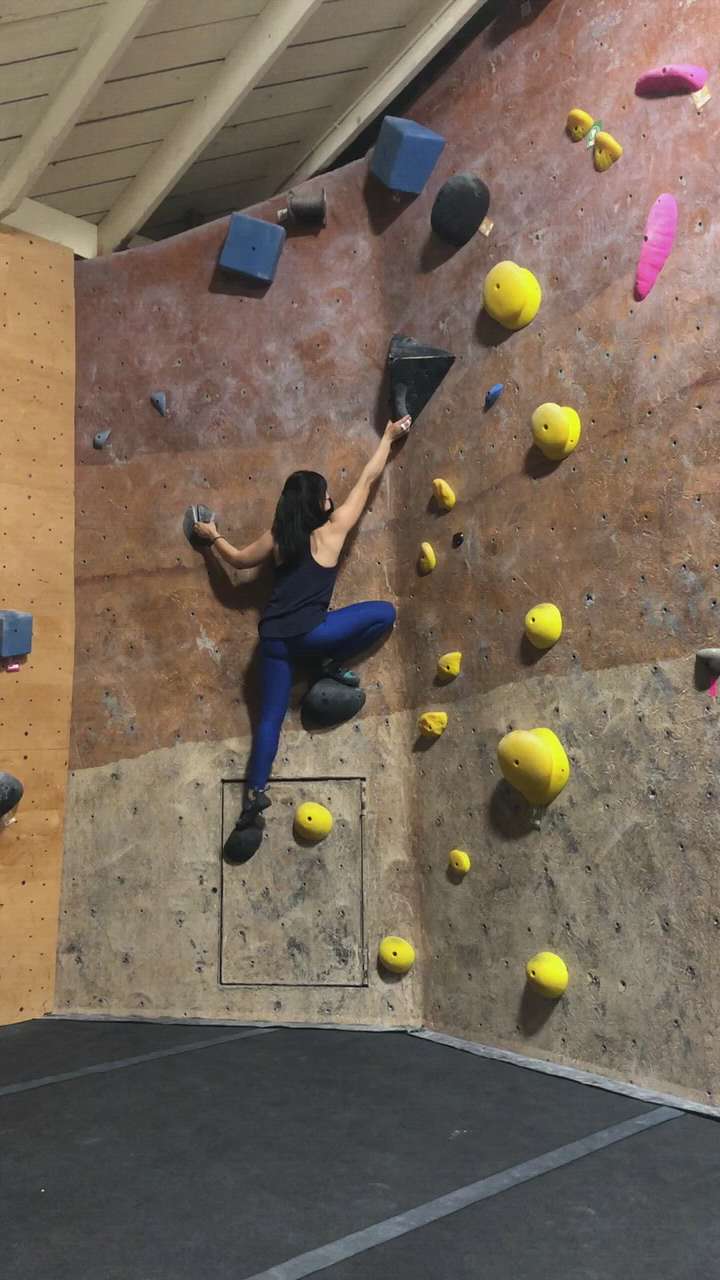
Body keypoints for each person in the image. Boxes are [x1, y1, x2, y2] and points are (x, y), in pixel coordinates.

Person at [194, 414, 412, 831]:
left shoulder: (278, 538)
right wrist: (387, 438)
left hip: (273, 644)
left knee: (268, 721)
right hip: (313, 636)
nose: (331, 499)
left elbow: (238, 560)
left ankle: (253, 801)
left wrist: (212, 536)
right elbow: (366, 482)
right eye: (326, 495)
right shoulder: (330, 533)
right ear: (316, 502)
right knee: (385, 614)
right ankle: (328, 664)